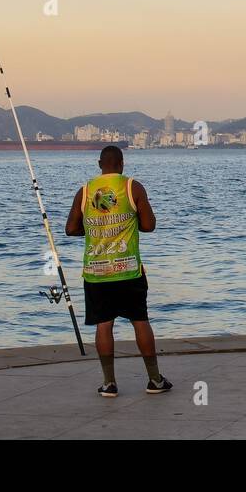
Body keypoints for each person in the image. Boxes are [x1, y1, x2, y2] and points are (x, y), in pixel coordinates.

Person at [65, 145, 172, 396]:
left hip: (96, 272)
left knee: (104, 325)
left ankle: (109, 383)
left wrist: (92, 230)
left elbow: (70, 229)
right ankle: (155, 380)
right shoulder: (132, 187)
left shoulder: (85, 192)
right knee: (140, 321)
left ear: (99, 164)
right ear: (122, 163)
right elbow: (149, 225)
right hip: (129, 271)